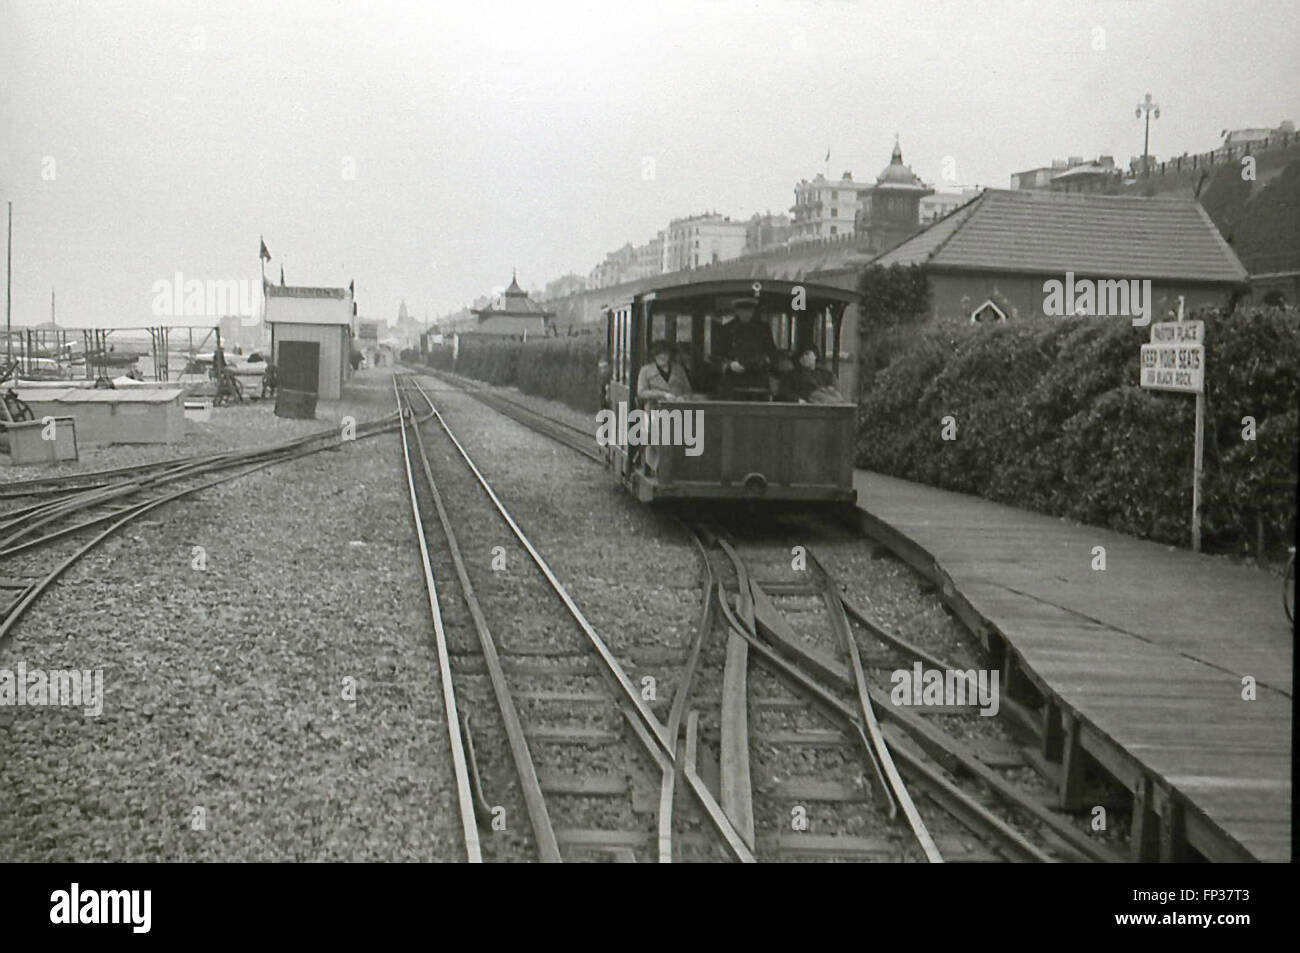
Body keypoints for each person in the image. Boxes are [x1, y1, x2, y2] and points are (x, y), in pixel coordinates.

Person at [714, 297, 777, 398]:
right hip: (732, 381)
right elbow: (716, 356)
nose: (746, 313)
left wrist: (764, 360)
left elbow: (772, 353)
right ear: (736, 311)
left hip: (758, 380)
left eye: (749, 310)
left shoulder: (763, 329)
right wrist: (729, 365)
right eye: (742, 310)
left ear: (753, 310)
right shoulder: (726, 329)